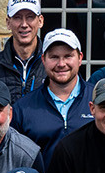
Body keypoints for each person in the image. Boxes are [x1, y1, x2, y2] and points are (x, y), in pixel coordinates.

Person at [11, 27, 92, 155]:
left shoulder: (97, 100)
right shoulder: (23, 108)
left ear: (80, 58)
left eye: (68, 56)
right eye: (54, 57)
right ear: (43, 59)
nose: (61, 64)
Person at [0, 0, 47, 99]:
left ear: (40, 21)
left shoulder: (51, 66)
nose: (24, 24)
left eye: (30, 17)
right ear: (8, 22)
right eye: (17, 17)